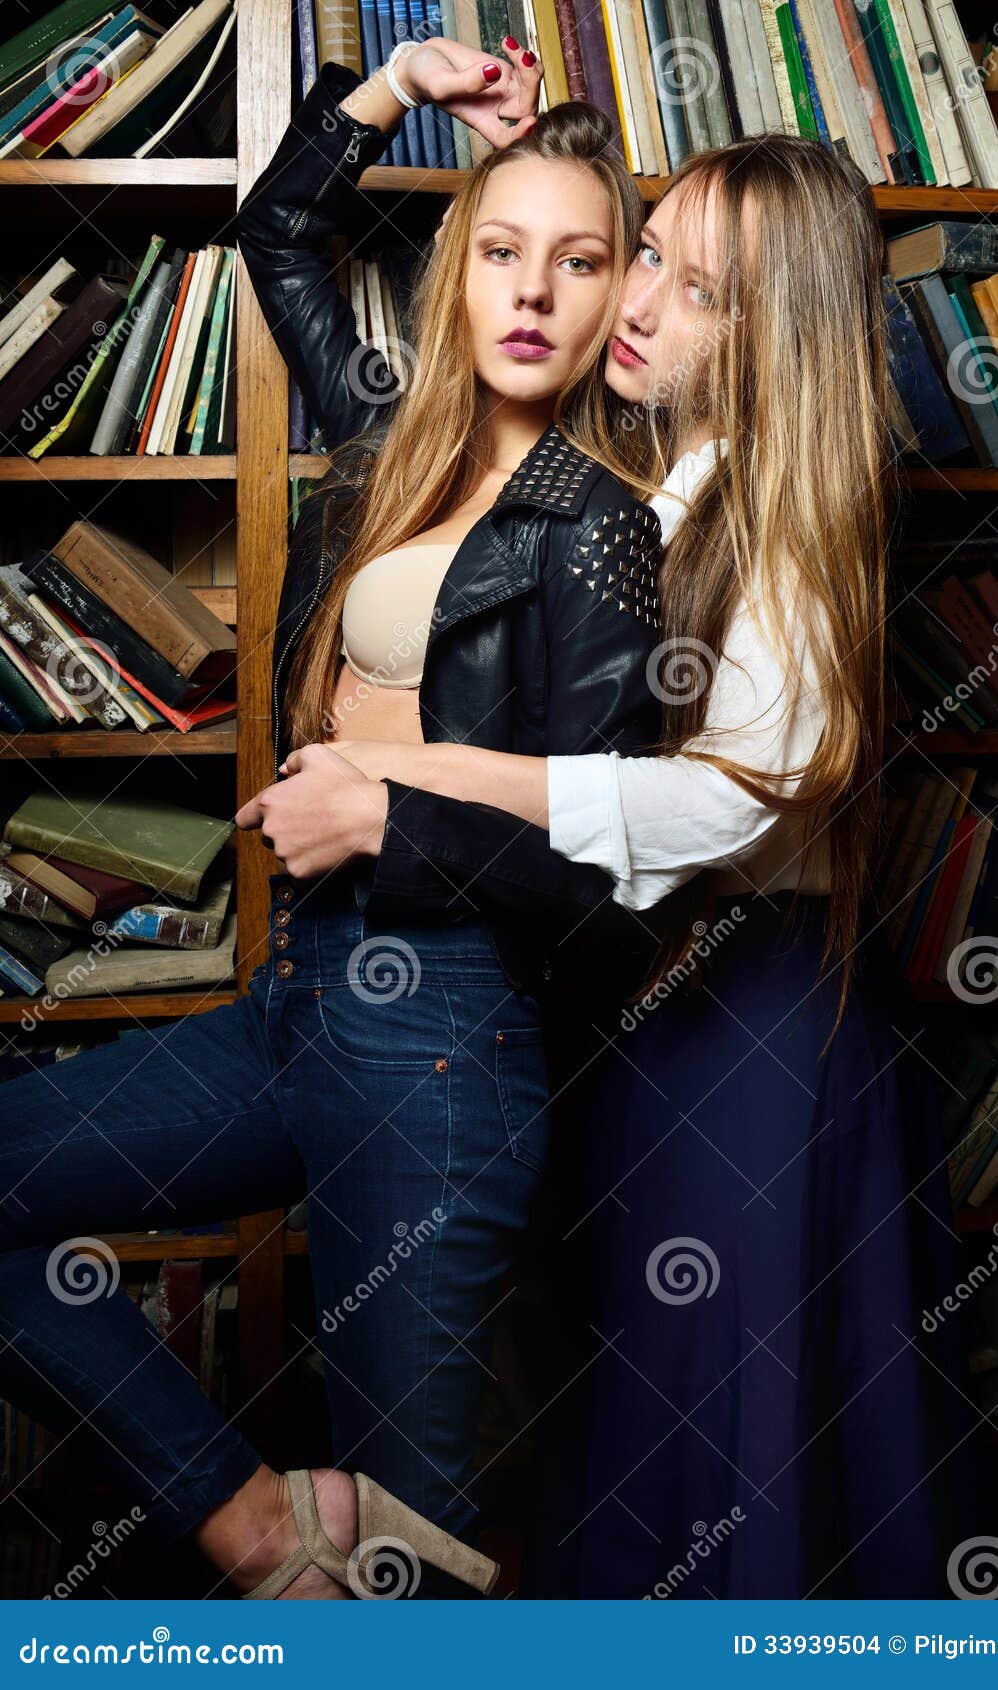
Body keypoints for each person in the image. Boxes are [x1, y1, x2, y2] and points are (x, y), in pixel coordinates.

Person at [264, 121, 976, 1598]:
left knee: (732, 1431)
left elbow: (740, 797)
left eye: (696, 288)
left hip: (761, 1032)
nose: (637, 306)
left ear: (773, 330)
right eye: (643, 254)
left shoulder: (786, 519)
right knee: (631, 1406)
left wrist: (427, 772)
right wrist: (488, 153)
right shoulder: (643, 490)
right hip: (640, 1015)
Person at [0, 45, 667, 1600]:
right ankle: (246, 1521)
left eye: (579, 262)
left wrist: (390, 818)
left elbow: (611, 872)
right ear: (454, 270)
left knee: (411, 1550)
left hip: (446, 1045)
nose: (532, 292)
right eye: (501, 250)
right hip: (295, 993)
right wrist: (391, 88)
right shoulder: (386, 438)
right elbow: (279, 229)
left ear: (613, 296)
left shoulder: (603, 531)